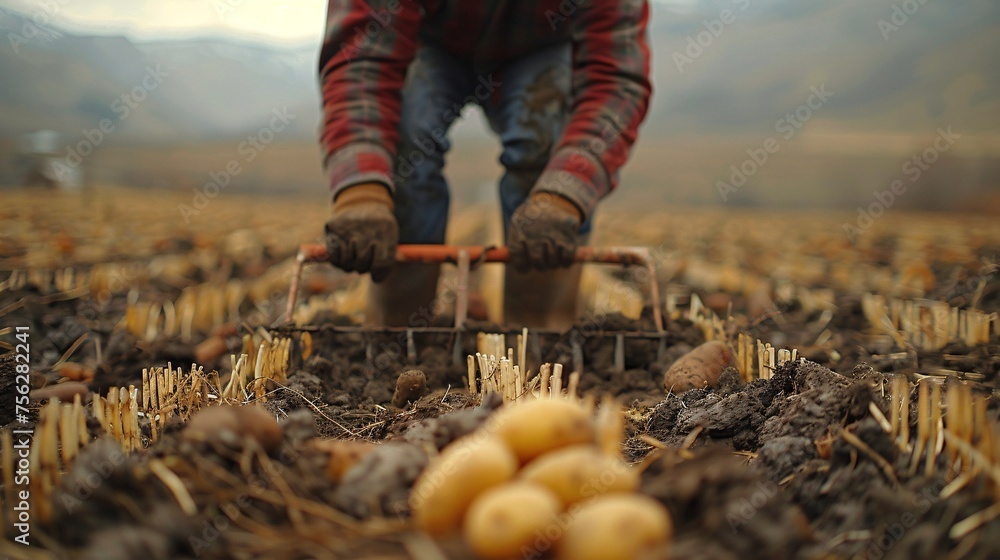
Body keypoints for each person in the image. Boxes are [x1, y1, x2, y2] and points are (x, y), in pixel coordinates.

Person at [320, 0, 651, 330]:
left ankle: (537, 341)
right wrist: (362, 190)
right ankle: (395, 336)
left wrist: (564, 194)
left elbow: (615, 80)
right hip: (425, 39)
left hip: (544, 45)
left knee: (549, 136)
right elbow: (362, 59)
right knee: (406, 144)